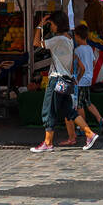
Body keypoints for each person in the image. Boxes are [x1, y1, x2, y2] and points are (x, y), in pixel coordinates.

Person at [30, 12, 78, 153]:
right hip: (66, 77)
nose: (50, 27)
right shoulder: (69, 39)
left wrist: (39, 26)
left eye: (51, 24)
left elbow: (36, 43)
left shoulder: (58, 40)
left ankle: (48, 142)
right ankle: (89, 134)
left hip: (57, 78)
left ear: (57, 24)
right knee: (67, 109)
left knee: (49, 108)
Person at [71, 26, 102, 148]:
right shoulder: (89, 48)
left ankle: (82, 127)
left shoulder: (77, 50)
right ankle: (100, 119)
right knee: (88, 102)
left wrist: (77, 79)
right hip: (89, 79)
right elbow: (93, 63)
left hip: (81, 81)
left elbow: (79, 66)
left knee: (79, 105)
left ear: (77, 36)